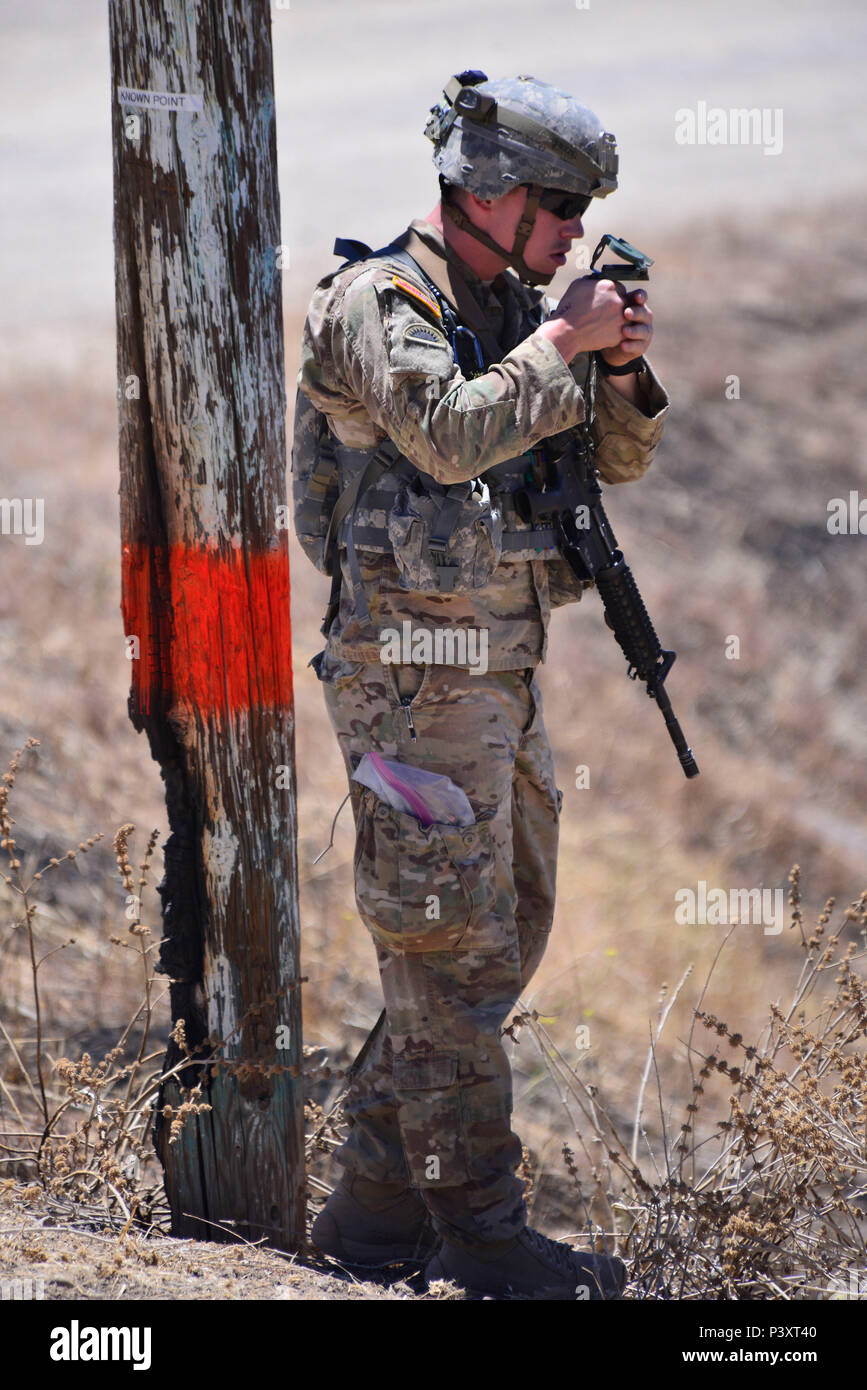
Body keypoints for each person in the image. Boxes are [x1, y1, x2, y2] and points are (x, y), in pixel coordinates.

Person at [291, 71, 669, 1300]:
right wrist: (562, 339)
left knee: (494, 937)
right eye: (559, 203)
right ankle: (477, 1228)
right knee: (451, 949)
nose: (570, 231)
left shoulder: (513, 306)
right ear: (491, 192)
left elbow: (613, 465)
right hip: (411, 676)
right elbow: (448, 433)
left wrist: (614, 371)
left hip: (499, 665)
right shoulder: (380, 301)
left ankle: (372, 1209)